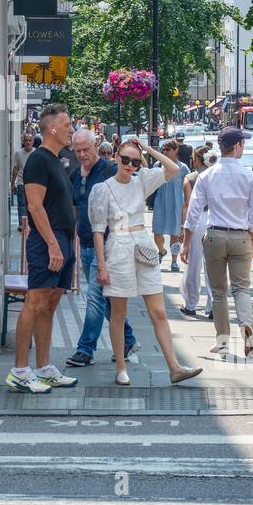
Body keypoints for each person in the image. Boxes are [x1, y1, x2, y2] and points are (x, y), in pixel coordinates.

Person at [91, 138, 203, 386]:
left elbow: (172, 169)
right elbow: (98, 231)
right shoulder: (103, 189)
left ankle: (174, 367)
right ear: (117, 158)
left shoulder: (141, 180)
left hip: (142, 244)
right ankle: (121, 367)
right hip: (118, 247)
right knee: (118, 314)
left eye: (134, 161)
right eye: (125, 160)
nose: (130, 165)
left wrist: (148, 148)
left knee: (159, 311)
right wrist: (102, 265)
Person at [9, 102, 81, 394]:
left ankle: (43, 367)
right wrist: (52, 244)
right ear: (52, 128)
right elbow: (35, 206)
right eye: (67, 125)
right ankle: (20, 370)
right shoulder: (38, 159)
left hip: (62, 238)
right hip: (47, 240)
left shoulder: (58, 158)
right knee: (35, 301)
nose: (71, 130)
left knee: (51, 303)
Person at [185, 127, 253, 359]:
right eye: (242, 144)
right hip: (241, 236)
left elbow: (194, 211)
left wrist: (187, 242)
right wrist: (252, 241)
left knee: (218, 291)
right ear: (237, 146)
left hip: (215, 234)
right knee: (242, 287)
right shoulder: (250, 176)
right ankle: (247, 327)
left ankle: (223, 342)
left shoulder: (206, 175)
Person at [64, 129, 137, 368]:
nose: (82, 154)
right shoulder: (75, 174)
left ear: (95, 145)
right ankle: (128, 340)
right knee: (104, 300)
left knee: (94, 298)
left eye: (86, 149)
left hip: (107, 244)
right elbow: (76, 207)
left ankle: (85, 349)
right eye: (78, 151)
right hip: (85, 243)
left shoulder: (109, 169)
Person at [177, 146, 215, 318]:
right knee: (212, 265)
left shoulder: (191, 178)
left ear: (196, 160)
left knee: (193, 262)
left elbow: (187, 205)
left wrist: (183, 228)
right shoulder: (217, 176)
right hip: (214, 218)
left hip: (197, 219)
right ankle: (213, 304)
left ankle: (191, 303)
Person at [152, 138, 190, 272]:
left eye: (168, 149)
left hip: (176, 203)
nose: (165, 151)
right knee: (157, 232)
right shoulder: (158, 165)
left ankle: (174, 261)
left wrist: (186, 204)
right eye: (164, 149)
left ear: (176, 150)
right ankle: (161, 251)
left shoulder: (183, 167)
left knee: (175, 234)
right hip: (161, 203)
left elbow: (187, 187)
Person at [11, 131, 34, 232]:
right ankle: (22, 223)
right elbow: (15, 168)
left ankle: (31, 222)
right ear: (23, 141)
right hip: (21, 182)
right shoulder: (18, 153)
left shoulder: (36, 153)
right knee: (22, 204)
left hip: (33, 183)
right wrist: (12, 183)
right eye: (26, 140)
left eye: (30, 140)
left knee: (32, 204)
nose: (28, 142)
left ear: (32, 141)